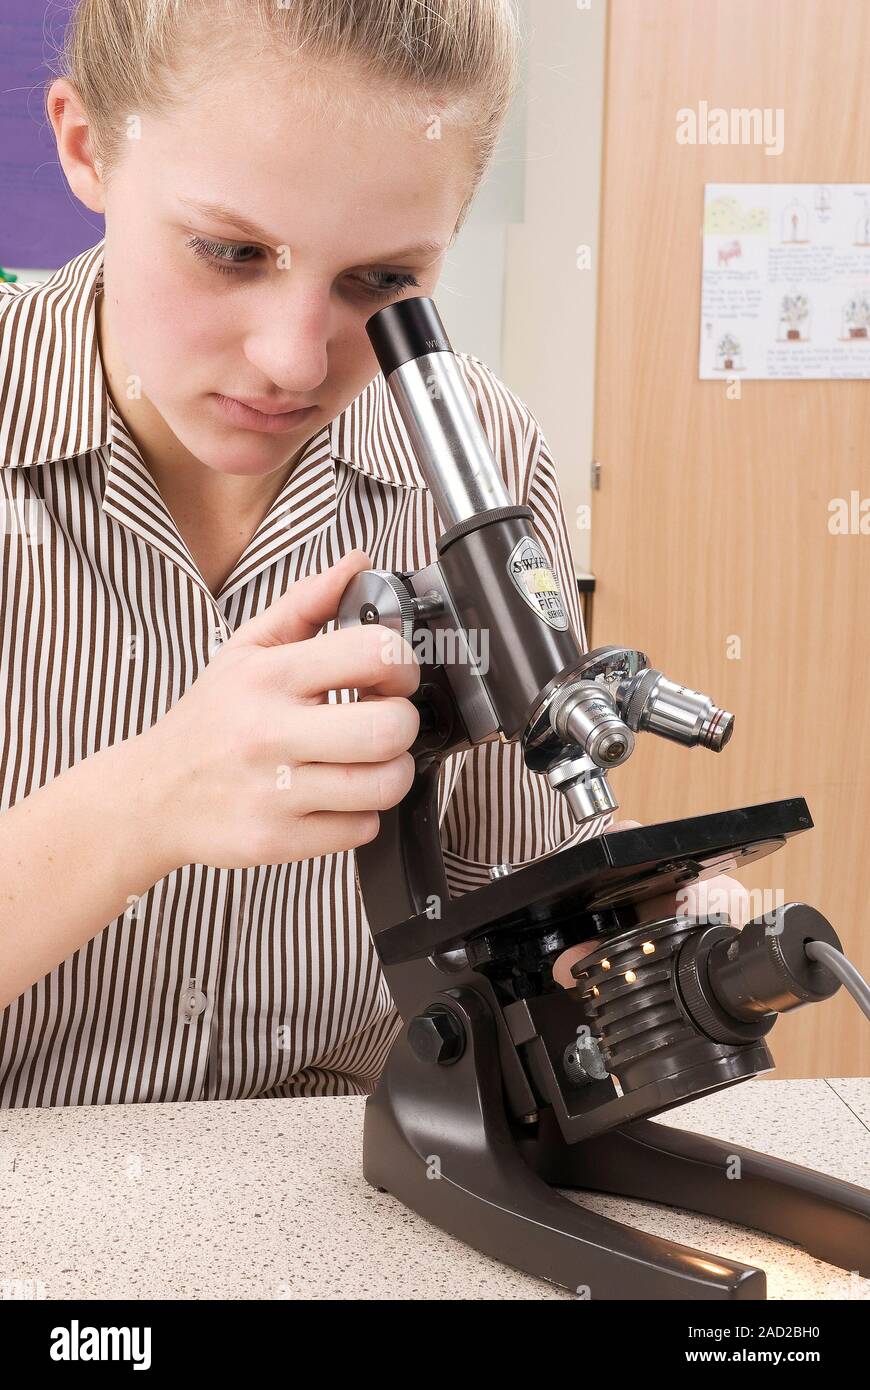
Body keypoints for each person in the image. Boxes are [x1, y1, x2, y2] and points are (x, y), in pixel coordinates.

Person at [0, 0, 747, 1107]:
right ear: (86, 146)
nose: (293, 359)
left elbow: (504, 878)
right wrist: (145, 800)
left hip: (351, 1176)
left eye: (383, 283)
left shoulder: (479, 447)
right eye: (231, 251)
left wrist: (622, 926)